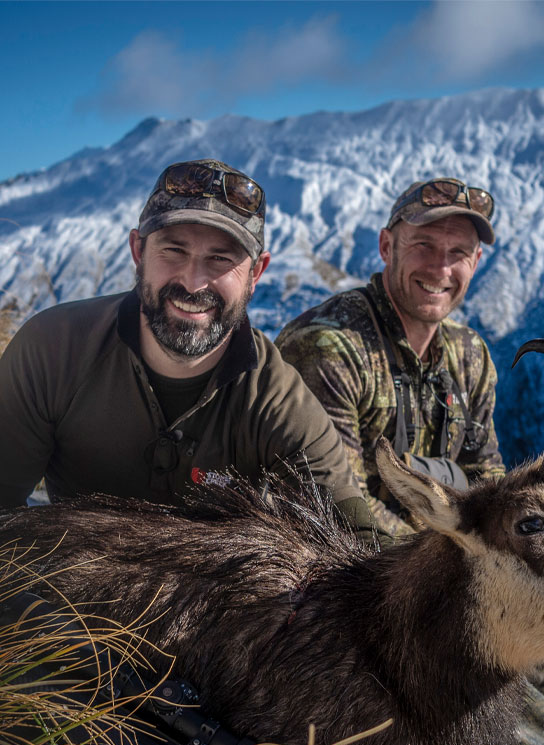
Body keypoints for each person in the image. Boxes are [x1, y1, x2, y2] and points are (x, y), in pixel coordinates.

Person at [0, 158, 373, 539]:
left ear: (256, 274)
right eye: (174, 251)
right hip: (64, 591)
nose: (194, 283)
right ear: (138, 252)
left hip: (217, 599)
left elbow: (359, 546)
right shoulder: (53, 349)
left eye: (220, 259)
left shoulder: (276, 400)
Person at [276, 178, 505, 536]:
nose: (440, 268)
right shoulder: (330, 348)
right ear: (387, 247)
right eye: (423, 245)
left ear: (476, 262)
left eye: (458, 252)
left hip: (433, 563)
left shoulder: (469, 355)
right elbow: (336, 505)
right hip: (333, 570)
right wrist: (451, 564)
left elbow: (487, 480)